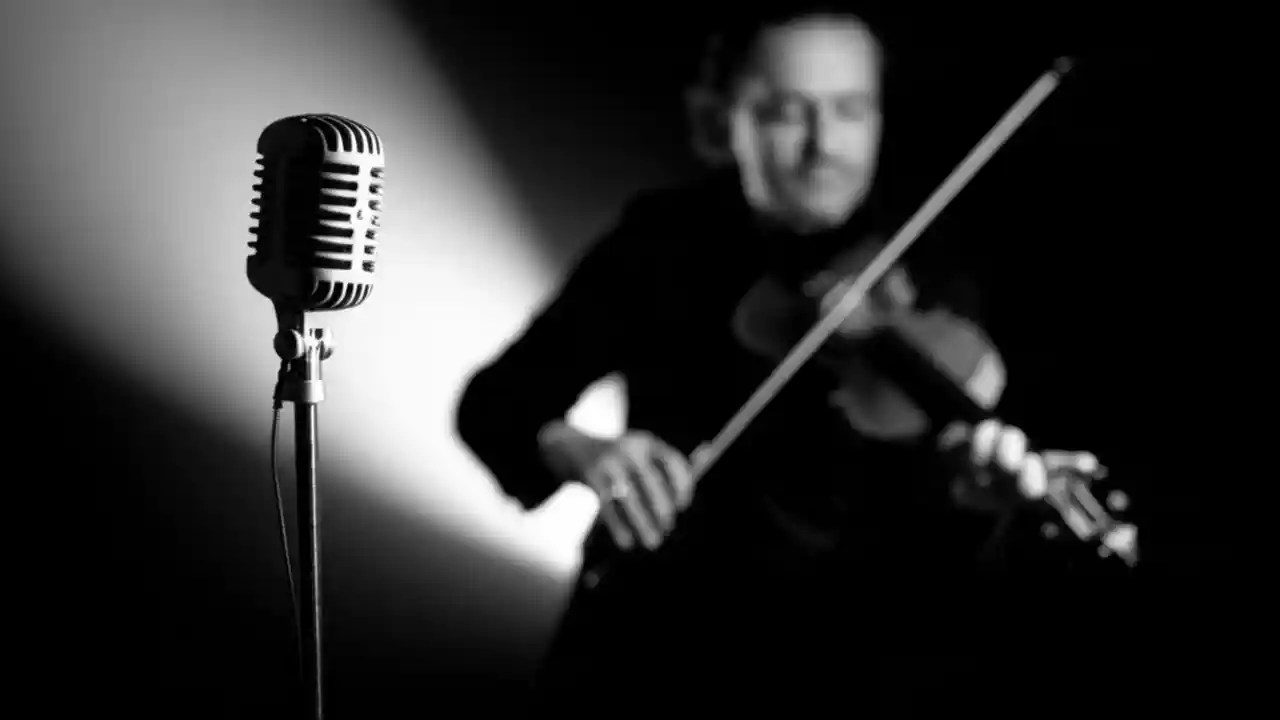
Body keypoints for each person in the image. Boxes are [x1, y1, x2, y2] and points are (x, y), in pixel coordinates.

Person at [456, 4, 1105, 712]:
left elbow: (944, 567)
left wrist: (979, 504)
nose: (823, 145)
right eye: (787, 113)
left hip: (849, 668)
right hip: (646, 646)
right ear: (720, 120)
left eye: (850, 110)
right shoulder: (664, 240)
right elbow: (495, 404)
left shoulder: (938, 273)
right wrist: (580, 450)